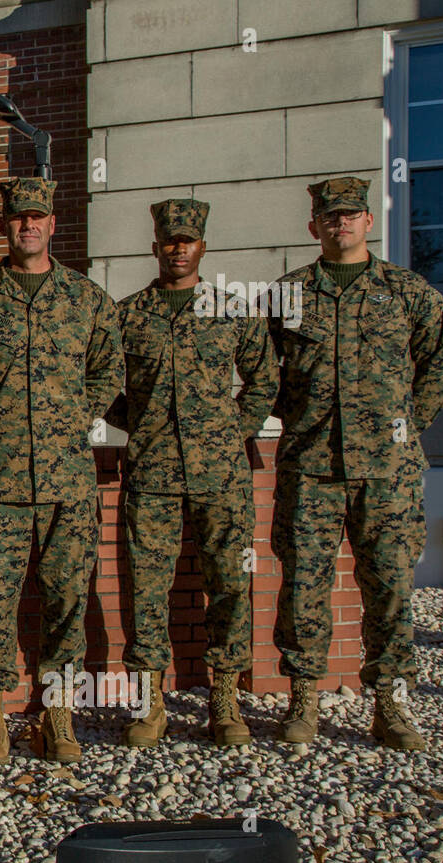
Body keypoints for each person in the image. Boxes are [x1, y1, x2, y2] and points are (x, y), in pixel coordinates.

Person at [0, 178, 123, 765]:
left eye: (37, 217)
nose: (28, 226)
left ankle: (56, 713)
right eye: (18, 217)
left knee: (68, 594)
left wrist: (73, 416)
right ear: (5, 224)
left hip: (68, 480)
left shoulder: (86, 298)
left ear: (53, 223)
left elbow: (108, 372)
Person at [267, 176, 443, 750]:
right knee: (303, 585)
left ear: (368, 222)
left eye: (351, 214)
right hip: (311, 467)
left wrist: (401, 427)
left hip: (387, 473)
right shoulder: (285, 295)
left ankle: (391, 708)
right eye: (330, 216)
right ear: (313, 226)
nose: (340, 223)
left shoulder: (409, 292)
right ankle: (304, 700)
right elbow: (261, 372)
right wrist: (300, 421)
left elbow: (439, 366)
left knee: (390, 585)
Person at [109, 199, 276, 747]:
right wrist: (143, 429)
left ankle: (224, 703)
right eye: (169, 242)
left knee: (228, 583)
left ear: (203, 247)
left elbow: (263, 382)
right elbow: (107, 386)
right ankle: (150, 703)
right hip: (152, 474)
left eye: (188, 241)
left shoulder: (233, 312)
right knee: (146, 586)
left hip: (220, 476)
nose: (179, 250)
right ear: (155, 248)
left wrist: (232, 431)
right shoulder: (127, 315)